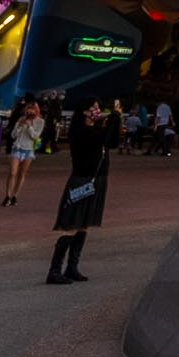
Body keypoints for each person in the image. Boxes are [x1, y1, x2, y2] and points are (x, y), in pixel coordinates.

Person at [46, 97, 123, 286]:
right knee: (73, 223)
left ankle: (72, 267)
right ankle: (54, 270)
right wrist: (113, 117)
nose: (97, 111)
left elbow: (111, 141)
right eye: (94, 108)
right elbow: (102, 138)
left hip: (97, 181)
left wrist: (116, 119)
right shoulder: (80, 132)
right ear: (84, 112)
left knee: (83, 224)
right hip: (82, 181)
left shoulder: (95, 130)